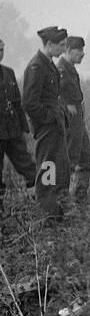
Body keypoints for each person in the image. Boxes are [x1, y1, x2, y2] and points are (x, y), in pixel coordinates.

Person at [22, 25, 70, 224]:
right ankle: (47, 213)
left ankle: (55, 210)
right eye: (61, 45)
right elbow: (29, 102)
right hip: (47, 128)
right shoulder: (36, 66)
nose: (63, 50)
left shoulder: (48, 64)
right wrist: (48, 119)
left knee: (58, 168)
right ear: (49, 44)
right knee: (48, 169)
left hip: (55, 127)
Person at [58, 35, 90, 207]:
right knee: (70, 160)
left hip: (77, 120)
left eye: (82, 50)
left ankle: (80, 197)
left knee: (86, 159)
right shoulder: (60, 69)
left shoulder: (69, 68)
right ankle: (62, 199)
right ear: (68, 50)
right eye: (79, 50)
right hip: (70, 121)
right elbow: (53, 94)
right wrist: (66, 106)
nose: (82, 54)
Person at [0, 35, 38, 198]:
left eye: (2, 50)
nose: (0, 53)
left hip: (13, 129)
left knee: (27, 164)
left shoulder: (8, 72)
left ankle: (40, 197)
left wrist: (24, 127)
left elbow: (17, 102)